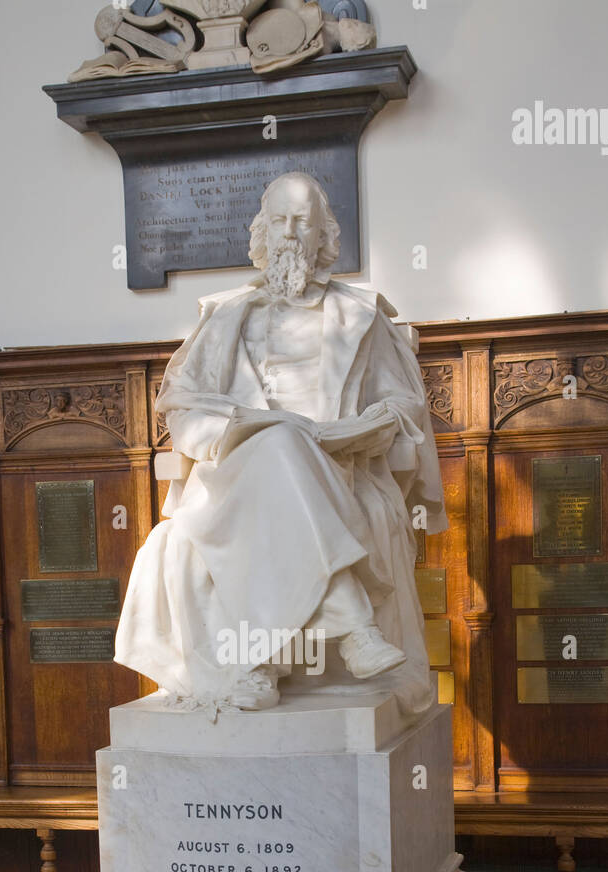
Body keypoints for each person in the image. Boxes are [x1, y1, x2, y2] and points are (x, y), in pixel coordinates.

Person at [115, 170, 447, 712]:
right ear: (260, 232)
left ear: (324, 236)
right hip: (235, 468)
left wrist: (368, 426)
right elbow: (181, 402)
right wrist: (254, 424)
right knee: (279, 442)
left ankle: (257, 659)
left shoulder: (361, 316)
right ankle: (353, 624)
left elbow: (402, 401)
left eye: (303, 221)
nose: (290, 233)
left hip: (339, 463)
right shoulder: (224, 317)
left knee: (287, 448)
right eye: (279, 220)